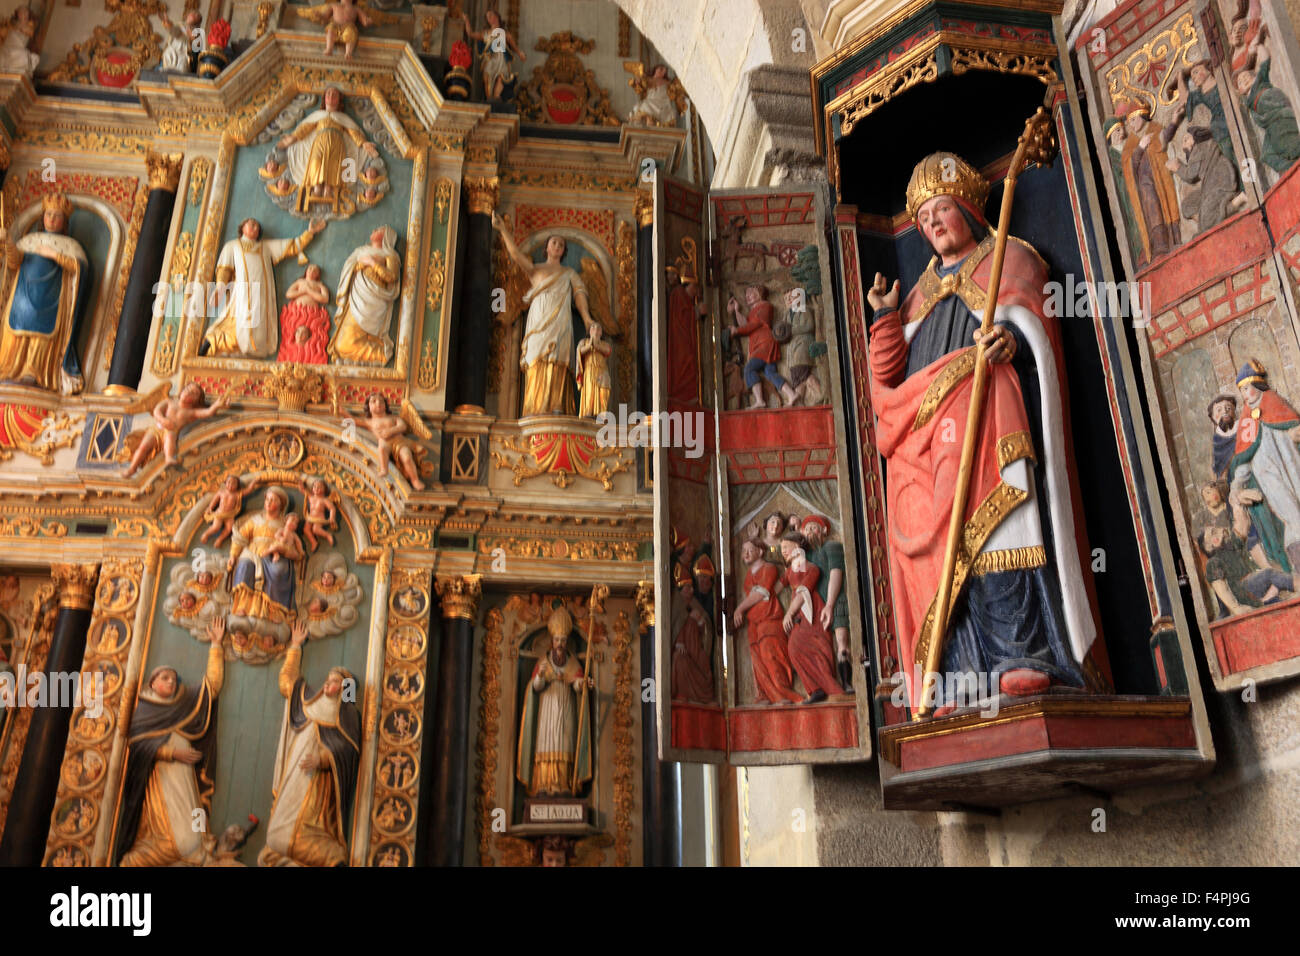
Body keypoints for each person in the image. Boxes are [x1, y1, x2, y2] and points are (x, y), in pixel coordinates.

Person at [866, 151, 1094, 713]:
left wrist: (1011, 342)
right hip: (923, 440)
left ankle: (1023, 654)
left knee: (999, 529)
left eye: (942, 210)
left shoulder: (1009, 261)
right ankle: (961, 674)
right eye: (923, 220)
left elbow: (1038, 332)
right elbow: (887, 380)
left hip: (987, 411)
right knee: (938, 556)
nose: (934, 224)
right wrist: (884, 320)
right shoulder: (915, 294)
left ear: (968, 209)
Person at [114, 619, 226, 866]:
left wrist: (216, 645)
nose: (171, 682)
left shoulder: (183, 702)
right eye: (165, 677)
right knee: (173, 833)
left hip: (185, 776)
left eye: (173, 678)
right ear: (152, 683)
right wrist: (170, 753)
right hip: (158, 780)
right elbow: (138, 745)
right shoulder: (144, 708)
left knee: (193, 829)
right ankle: (139, 857)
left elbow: (211, 688)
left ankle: (197, 850)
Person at [259, 621, 360, 866]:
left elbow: (347, 749)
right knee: (276, 835)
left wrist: (323, 759)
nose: (328, 684)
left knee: (307, 831)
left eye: (335, 682)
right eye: (328, 679)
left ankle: (326, 856)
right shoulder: (307, 701)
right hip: (294, 775)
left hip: (318, 785)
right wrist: (294, 646)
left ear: (345, 688)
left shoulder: (345, 716)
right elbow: (287, 683)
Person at [491, 213, 597, 416]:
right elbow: (515, 255)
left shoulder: (569, 273)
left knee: (558, 360)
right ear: (546, 247)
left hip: (560, 321)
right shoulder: (535, 269)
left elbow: (580, 295)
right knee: (536, 358)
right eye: (554, 242)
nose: (557, 246)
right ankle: (534, 408)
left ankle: (556, 405)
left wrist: (587, 319)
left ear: (564, 251)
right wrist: (503, 229)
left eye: (561, 245)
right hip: (538, 319)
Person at [0, 192, 91, 393]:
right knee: (15, 333)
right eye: (48, 214)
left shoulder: (71, 246)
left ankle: (33, 373)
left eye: (56, 216)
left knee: (43, 338)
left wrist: (54, 254)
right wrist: (7, 243)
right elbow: (14, 263)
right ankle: (10, 370)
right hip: (22, 300)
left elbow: (78, 269)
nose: (51, 219)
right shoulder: (30, 240)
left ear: (64, 221)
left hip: (51, 302)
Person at [202, 217, 324, 357]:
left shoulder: (265, 247)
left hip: (261, 298)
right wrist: (219, 289)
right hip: (241, 296)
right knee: (230, 326)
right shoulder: (233, 246)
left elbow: (291, 246)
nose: (255, 227)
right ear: (242, 227)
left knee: (257, 328)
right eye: (252, 224)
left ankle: (247, 351)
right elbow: (225, 269)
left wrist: (309, 233)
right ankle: (208, 348)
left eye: (257, 226)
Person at [1227, 360, 1300, 583]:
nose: (1245, 394)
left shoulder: (1275, 402)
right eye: (1241, 390)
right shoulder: (1247, 419)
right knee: (1291, 515)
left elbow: (1292, 425)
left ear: (1257, 385)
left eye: (1247, 388)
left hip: (1292, 465)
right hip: (1268, 474)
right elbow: (1244, 457)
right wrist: (1237, 485)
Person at [516, 605, 592, 796]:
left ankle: (564, 785)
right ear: (552, 641)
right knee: (546, 743)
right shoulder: (543, 661)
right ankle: (543, 784)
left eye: (563, 640)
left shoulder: (573, 662)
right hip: (547, 710)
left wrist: (582, 684)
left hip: (566, 708)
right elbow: (536, 687)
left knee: (565, 743)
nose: (560, 644)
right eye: (557, 640)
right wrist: (540, 676)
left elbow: (576, 683)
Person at [275, 86, 379, 214]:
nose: (331, 96)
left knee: (333, 165)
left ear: (339, 100)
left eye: (334, 94)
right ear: (324, 98)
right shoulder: (318, 116)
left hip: (337, 144)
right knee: (316, 162)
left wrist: (363, 144)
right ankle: (316, 186)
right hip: (320, 142)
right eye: (328, 93)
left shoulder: (342, 118)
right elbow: (304, 129)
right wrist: (292, 139)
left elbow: (353, 132)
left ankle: (328, 189)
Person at [226, 486, 298, 645]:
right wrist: (232, 556)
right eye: (267, 499)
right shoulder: (255, 520)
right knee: (244, 565)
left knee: (278, 571)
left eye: (273, 500)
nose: (269, 502)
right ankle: (243, 607)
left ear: (281, 505)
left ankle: (274, 611)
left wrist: (282, 550)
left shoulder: (283, 524)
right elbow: (240, 538)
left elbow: (294, 549)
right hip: (253, 551)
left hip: (273, 554)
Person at [779, 533, 845, 704]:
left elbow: (803, 591)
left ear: (797, 546)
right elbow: (776, 588)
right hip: (800, 614)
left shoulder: (812, 569)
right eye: (781, 549)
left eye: (786, 547)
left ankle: (830, 688)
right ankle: (815, 689)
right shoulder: (789, 571)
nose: (783, 551)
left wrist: (789, 613)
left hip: (812, 611)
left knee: (815, 649)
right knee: (794, 649)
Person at [732, 539, 801, 704]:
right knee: (758, 661)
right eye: (743, 551)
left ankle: (783, 693)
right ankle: (764, 694)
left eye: (750, 550)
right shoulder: (749, 574)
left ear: (760, 552)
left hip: (769, 619)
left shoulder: (769, 569)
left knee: (771, 656)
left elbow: (762, 593)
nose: (745, 554)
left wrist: (739, 609)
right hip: (754, 622)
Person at [1116, 101, 1181, 267]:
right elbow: (1129, 165)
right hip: (1145, 187)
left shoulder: (1154, 128)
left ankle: (1174, 239)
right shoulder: (1131, 143)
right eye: (1129, 121)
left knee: (1169, 205)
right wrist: (1140, 147)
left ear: (1141, 116)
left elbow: (1164, 138)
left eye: (1133, 120)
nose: (1131, 125)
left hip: (1161, 179)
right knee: (1153, 211)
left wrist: (1174, 121)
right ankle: (1159, 245)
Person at [328, 226, 400, 366]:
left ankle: (382, 353)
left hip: (374, 300)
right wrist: (360, 265)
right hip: (357, 297)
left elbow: (391, 277)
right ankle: (378, 351)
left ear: (387, 236)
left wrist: (372, 263)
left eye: (379, 229)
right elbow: (350, 269)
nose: (374, 229)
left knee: (344, 344)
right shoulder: (360, 252)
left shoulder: (390, 255)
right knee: (341, 344)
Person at [123, 382, 229, 477]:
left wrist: (216, 405)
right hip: (157, 428)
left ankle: (169, 457)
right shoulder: (170, 402)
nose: (189, 392)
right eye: (188, 389)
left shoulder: (191, 413)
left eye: (193, 393)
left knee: (170, 439)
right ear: (182, 390)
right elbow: (156, 411)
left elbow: (208, 412)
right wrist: (163, 420)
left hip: (171, 432)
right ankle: (132, 468)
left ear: (197, 401)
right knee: (143, 447)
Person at [800, 514, 854, 693]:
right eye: (806, 529)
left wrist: (830, 605)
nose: (810, 532)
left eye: (813, 528)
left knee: (842, 642)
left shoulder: (832, 547)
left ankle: (847, 683)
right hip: (816, 607)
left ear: (823, 530)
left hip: (835, 602)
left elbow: (835, 574)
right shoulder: (807, 555)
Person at [1235, 39, 1300, 175]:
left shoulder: (1260, 82)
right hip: (1271, 126)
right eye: (1240, 82)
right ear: (1240, 91)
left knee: (1290, 143)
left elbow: (1265, 61)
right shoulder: (1248, 103)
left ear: (1253, 77)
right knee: (1266, 154)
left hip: (1280, 115)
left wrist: (1258, 45)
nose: (1244, 79)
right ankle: (1290, 168)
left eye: (1246, 76)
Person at [1199, 524, 1292, 617]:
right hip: (1244, 587)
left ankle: (1266, 601)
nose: (1220, 530)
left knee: (1276, 575)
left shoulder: (1231, 547)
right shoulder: (1213, 562)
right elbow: (1220, 586)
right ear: (1211, 544)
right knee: (1270, 574)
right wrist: (1236, 608)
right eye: (1214, 532)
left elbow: (1242, 530)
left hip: (1252, 582)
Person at [729, 284, 798, 409]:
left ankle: (760, 400)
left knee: (749, 369)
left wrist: (737, 331)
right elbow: (745, 323)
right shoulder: (754, 311)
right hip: (759, 345)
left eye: (750, 292)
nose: (747, 296)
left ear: (759, 293)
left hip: (765, 344)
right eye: (746, 295)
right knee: (770, 373)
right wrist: (736, 311)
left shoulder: (766, 306)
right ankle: (791, 394)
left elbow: (753, 325)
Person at [669, 564, 714, 703]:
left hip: (696, 647)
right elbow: (674, 626)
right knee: (679, 661)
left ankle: (705, 697)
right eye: (688, 587)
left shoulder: (694, 604)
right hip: (683, 650)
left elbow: (706, 627)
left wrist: (700, 621)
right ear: (681, 590)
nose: (692, 590)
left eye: (691, 587)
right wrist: (679, 641)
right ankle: (683, 694)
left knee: (704, 664)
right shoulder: (675, 605)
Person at [460, 7, 524, 101]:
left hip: (501, 60)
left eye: (490, 16)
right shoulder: (485, 33)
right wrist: (466, 20)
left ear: (497, 16)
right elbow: (470, 34)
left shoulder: (505, 33)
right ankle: (489, 99)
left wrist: (520, 53)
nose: (489, 19)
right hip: (490, 59)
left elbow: (513, 46)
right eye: (487, 17)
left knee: (500, 78)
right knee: (487, 78)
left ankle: (496, 98)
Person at [277, 264, 330, 364]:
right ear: (306, 271)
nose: (312, 271)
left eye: (315, 270)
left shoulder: (319, 285)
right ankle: (293, 356)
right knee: (295, 334)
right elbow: (289, 294)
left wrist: (308, 291)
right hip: (296, 313)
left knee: (309, 337)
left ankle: (307, 356)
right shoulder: (300, 282)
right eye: (310, 268)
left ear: (318, 275)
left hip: (312, 315)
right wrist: (303, 291)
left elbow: (324, 298)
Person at [575, 322, 612, 418]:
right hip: (589, 371)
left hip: (602, 371)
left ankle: (601, 415)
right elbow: (580, 351)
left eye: (598, 329)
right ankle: (588, 413)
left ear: (601, 333)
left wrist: (596, 345)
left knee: (603, 392)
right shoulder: (584, 342)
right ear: (590, 331)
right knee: (589, 391)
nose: (595, 331)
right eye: (593, 328)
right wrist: (589, 345)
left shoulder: (604, 344)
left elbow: (607, 351)